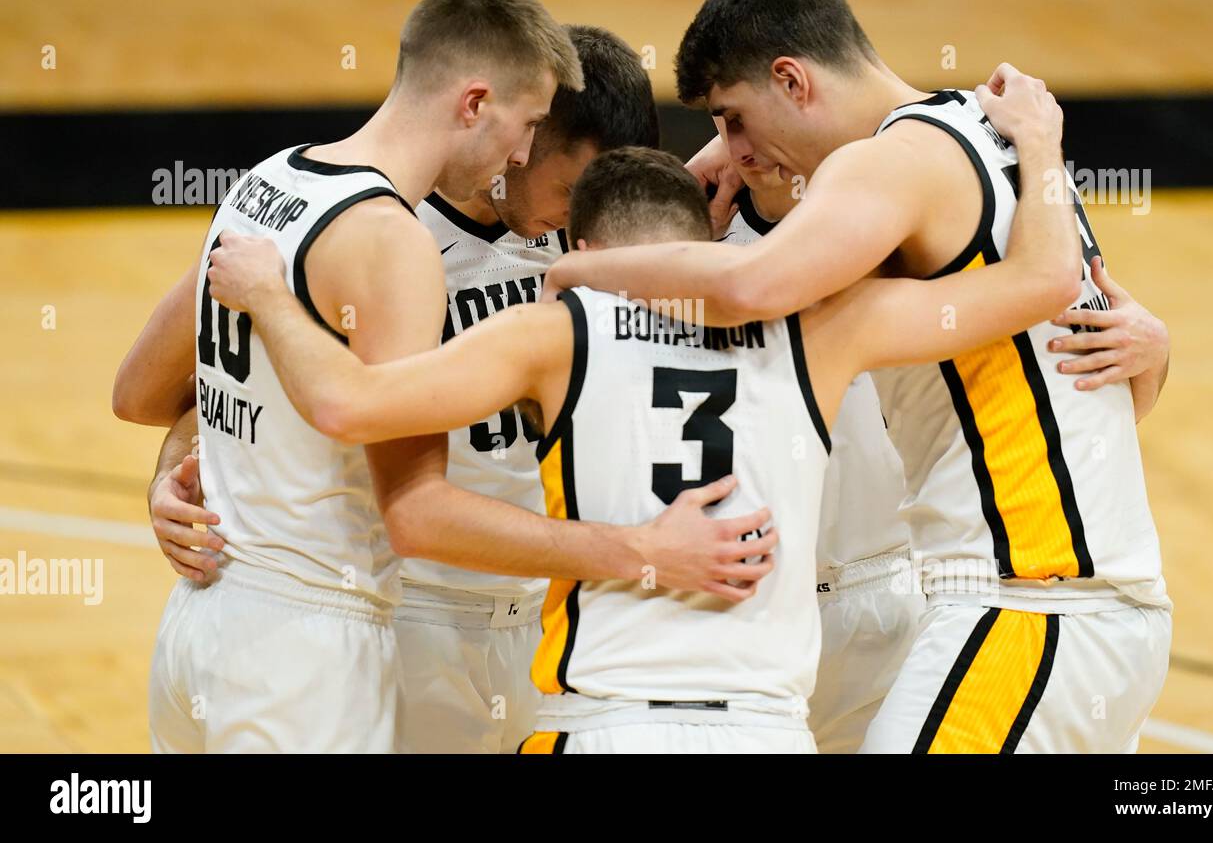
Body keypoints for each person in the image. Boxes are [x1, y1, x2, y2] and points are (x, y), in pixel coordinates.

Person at [201, 138, 1080, 752]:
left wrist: (270, 298)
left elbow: (346, 404)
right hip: (769, 732)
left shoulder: (549, 331)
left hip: (603, 725)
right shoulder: (824, 330)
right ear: (708, 241)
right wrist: (1042, 149)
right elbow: (1044, 280)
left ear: (582, 248)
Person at [113, 0, 768, 753]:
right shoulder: (394, 237)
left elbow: (244, 374)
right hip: (400, 618)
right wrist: (173, 473)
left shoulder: (278, 187)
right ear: (486, 109)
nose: (570, 206)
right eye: (544, 158)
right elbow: (181, 392)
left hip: (551, 622)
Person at [542, 0, 1173, 752]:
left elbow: (755, 285)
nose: (733, 149)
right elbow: (1089, 383)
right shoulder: (998, 138)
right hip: (1086, 605)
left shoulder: (886, 163)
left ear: (792, 79)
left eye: (734, 119)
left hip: (1030, 602)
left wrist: (583, 269)